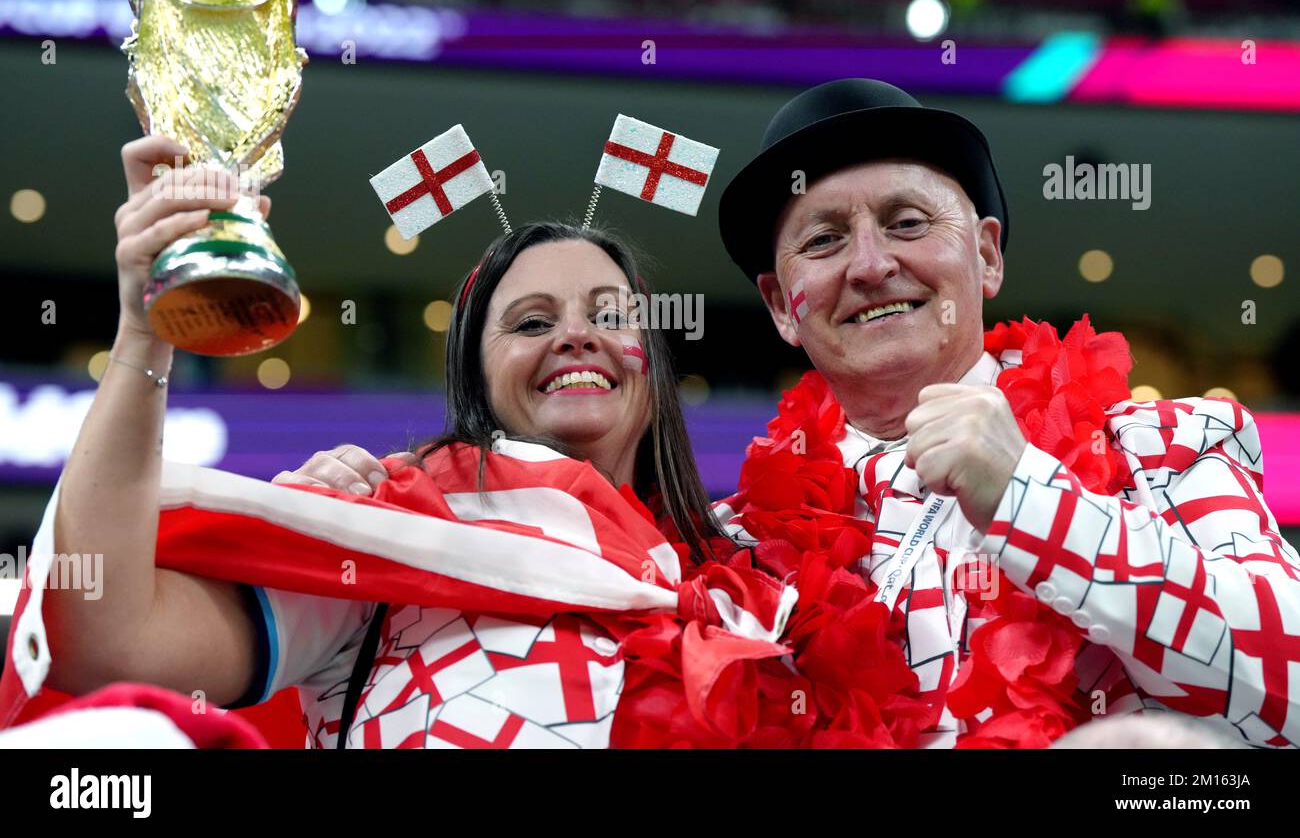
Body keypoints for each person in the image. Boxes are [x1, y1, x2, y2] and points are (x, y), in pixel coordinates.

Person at [0, 135, 801, 749]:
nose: (576, 338)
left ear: (655, 367)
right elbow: (106, 638)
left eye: (611, 316)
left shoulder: (760, 573)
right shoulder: (388, 534)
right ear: (476, 383)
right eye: (529, 323)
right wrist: (144, 334)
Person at [707, 77, 1300, 747]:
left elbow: (1294, 689)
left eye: (907, 223)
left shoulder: (1160, 446)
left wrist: (1031, 501)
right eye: (822, 241)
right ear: (784, 305)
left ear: (986, 256)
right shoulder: (733, 552)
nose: (870, 266)